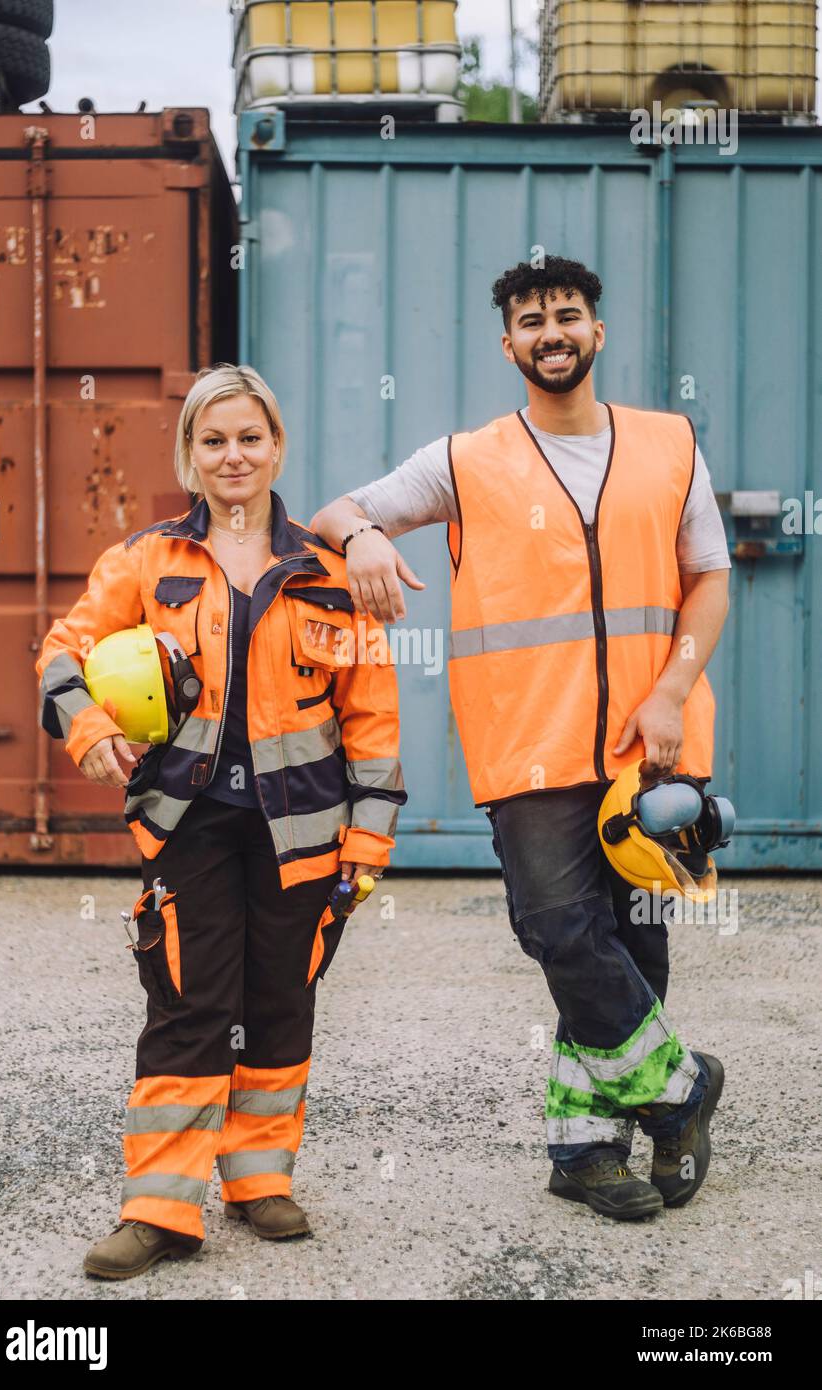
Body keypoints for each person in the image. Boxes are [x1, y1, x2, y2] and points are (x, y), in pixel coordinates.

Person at [311, 256, 731, 1221]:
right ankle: (680, 1091)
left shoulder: (670, 445)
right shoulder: (465, 460)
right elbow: (338, 513)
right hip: (528, 746)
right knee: (557, 929)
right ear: (509, 344)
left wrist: (671, 691)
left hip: (651, 746)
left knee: (636, 946)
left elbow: (708, 575)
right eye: (532, 319)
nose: (552, 332)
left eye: (568, 315)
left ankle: (585, 1148)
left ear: (597, 332)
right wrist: (366, 539)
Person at [36, 363, 407, 1277]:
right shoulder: (145, 560)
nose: (233, 455)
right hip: (192, 825)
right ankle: (159, 1206)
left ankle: (257, 1179)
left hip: (305, 833)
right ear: (189, 456)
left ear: (276, 447)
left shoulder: (329, 572)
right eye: (214, 441)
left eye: (250, 438)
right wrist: (85, 731)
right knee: (190, 1004)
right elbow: (59, 656)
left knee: (281, 1000)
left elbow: (372, 718)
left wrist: (368, 840)